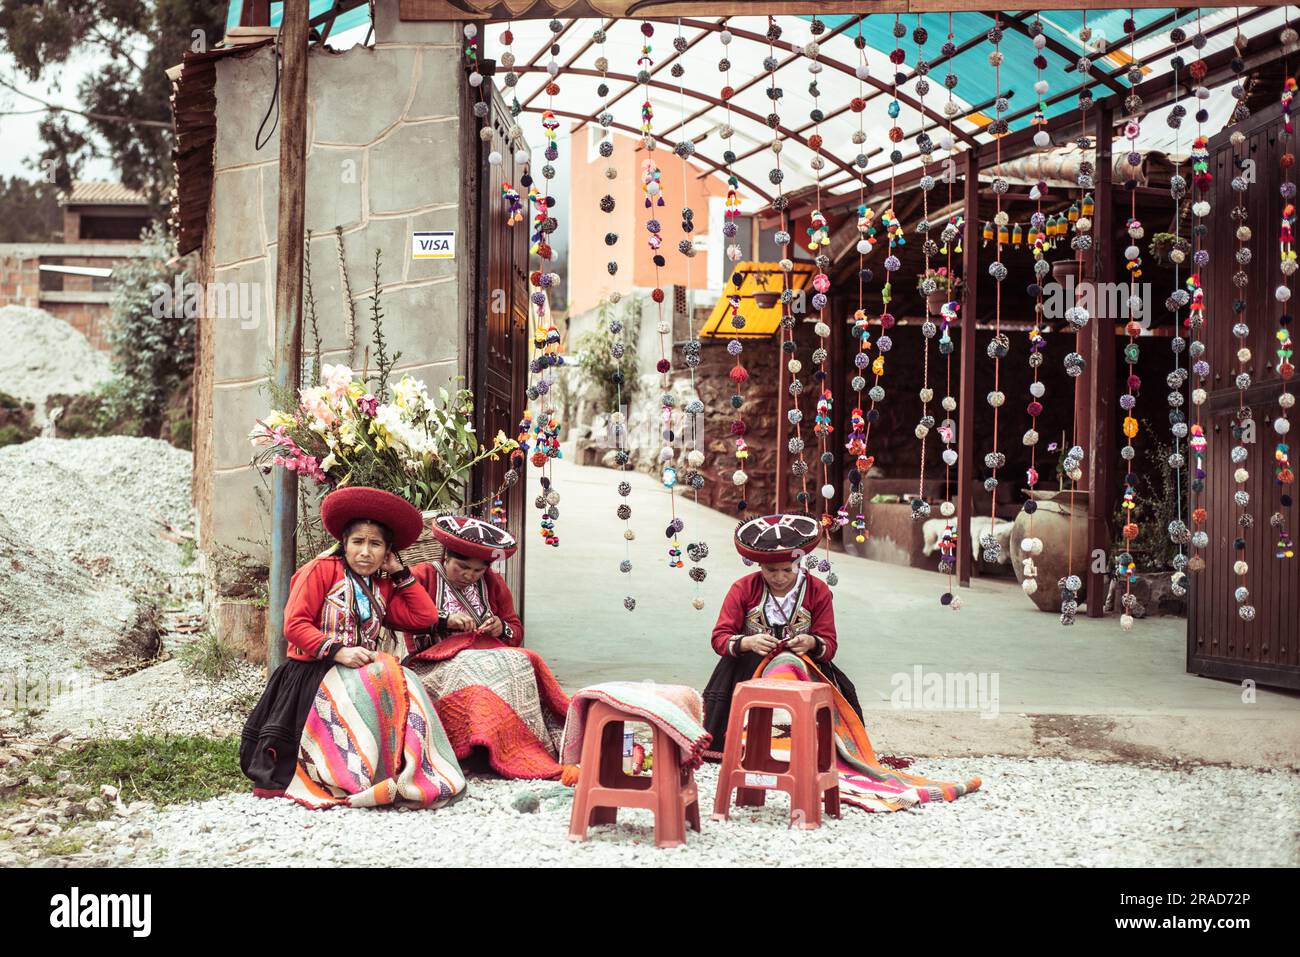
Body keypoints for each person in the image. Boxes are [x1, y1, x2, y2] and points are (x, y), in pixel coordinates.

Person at [703, 514, 981, 812]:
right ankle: (752, 750)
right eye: (771, 570)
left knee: (824, 689)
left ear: (799, 563)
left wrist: (810, 642)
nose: (779, 576)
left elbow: (829, 644)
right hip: (747, 667)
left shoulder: (817, 590)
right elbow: (720, 637)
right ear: (759, 566)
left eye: (787, 569)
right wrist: (746, 642)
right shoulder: (742, 589)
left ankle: (814, 752)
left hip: (805, 666)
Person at [239, 486, 466, 809]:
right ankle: (348, 773)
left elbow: (423, 616)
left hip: (357, 673)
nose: (365, 552)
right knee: (385, 676)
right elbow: (294, 624)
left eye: (376, 544)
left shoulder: (383, 586)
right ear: (343, 544)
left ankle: (407, 769)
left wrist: (401, 574)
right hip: (313, 673)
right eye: (358, 542)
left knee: (405, 680)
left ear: (387, 552)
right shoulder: (320, 571)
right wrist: (337, 651)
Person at [403, 515, 569, 780]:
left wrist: (500, 627)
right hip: (433, 662)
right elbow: (402, 616)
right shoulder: (421, 576)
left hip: (486, 654)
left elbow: (515, 630)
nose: (470, 575)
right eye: (462, 566)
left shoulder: (493, 584)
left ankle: (515, 744)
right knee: (476, 667)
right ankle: (472, 748)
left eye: (479, 570)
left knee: (524, 660)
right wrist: (444, 621)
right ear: (446, 556)